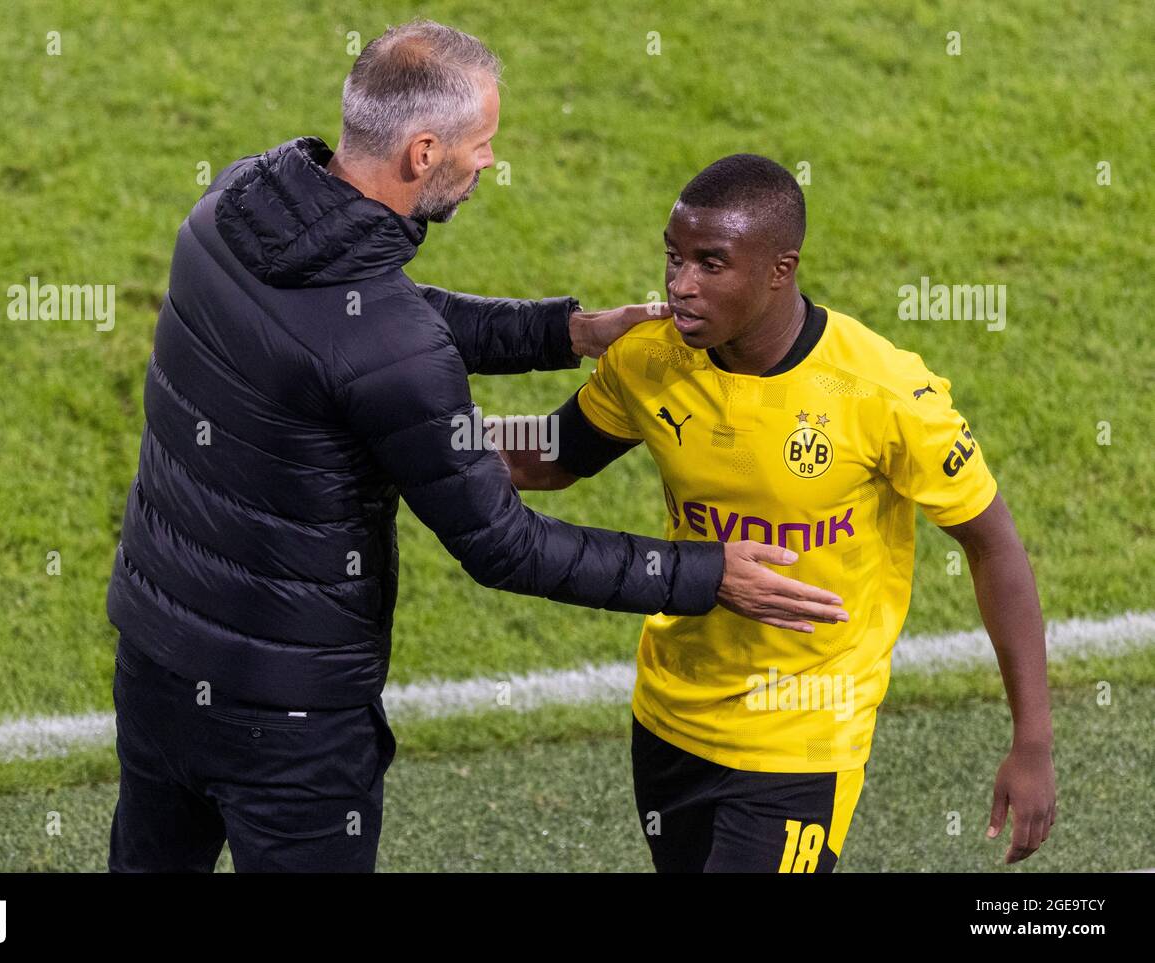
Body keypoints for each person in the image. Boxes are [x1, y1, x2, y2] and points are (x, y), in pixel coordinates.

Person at [105, 23, 845, 872]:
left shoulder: (235, 206)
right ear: (423, 152)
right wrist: (706, 574)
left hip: (156, 655)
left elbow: (373, 316)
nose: (489, 161)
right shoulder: (390, 344)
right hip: (289, 720)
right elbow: (503, 543)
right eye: (481, 143)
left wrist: (560, 330)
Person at [498, 153, 1056, 872]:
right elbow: (547, 456)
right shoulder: (652, 358)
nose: (679, 285)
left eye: (710, 263)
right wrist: (404, 429)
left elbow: (994, 545)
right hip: (670, 717)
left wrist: (1033, 741)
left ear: (778, 268)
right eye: (673, 258)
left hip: (803, 739)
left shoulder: (883, 392)